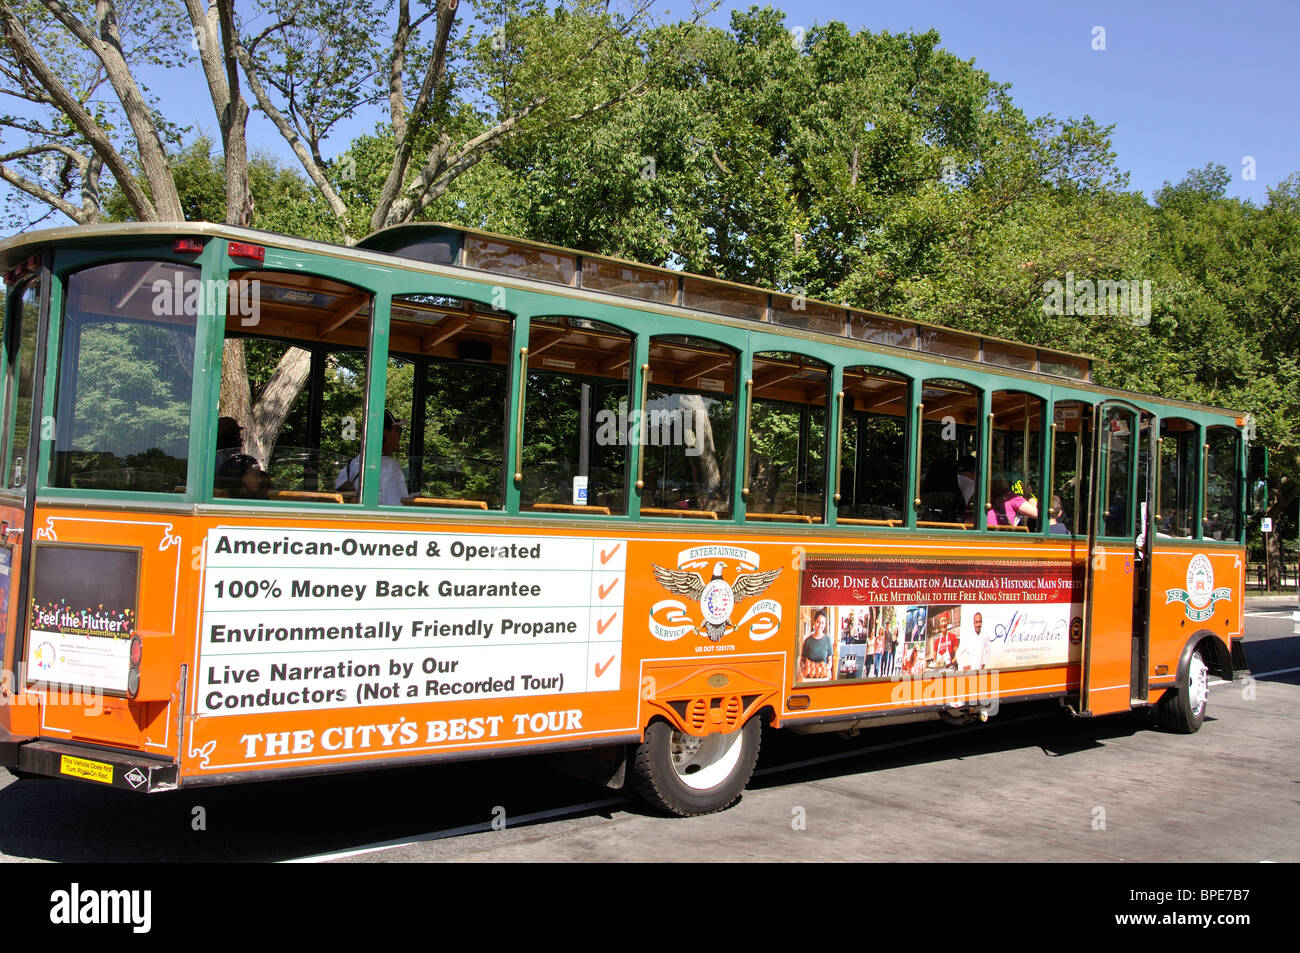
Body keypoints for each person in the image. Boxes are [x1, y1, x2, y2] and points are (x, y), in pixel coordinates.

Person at [336, 410, 409, 505]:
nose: (399, 437)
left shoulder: (351, 465)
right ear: (385, 433)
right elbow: (396, 507)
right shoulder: (389, 466)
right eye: (398, 430)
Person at [800, 609, 834, 680]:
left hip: (823, 677)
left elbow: (830, 660)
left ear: (824, 625)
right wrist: (804, 669)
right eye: (818, 622)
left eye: (822, 623)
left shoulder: (827, 640)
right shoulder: (807, 641)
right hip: (809, 677)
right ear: (814, 622)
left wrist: (827, 668)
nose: (820, 625)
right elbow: (802, 660)